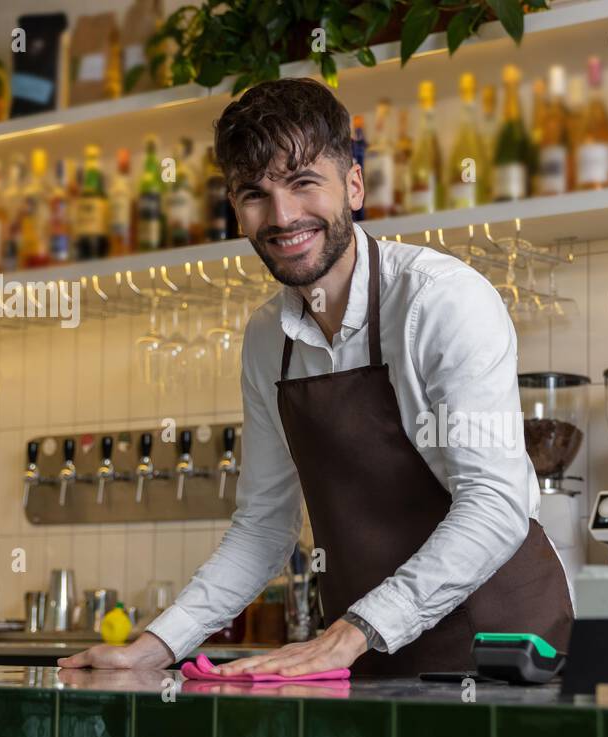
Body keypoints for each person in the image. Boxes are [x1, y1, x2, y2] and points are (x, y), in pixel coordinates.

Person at [59, 78, 573, 677]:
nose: (282, 216)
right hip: (367, 654)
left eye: (304, 182)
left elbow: (495, 503)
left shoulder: (441, 301)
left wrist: (354, 632)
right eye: (255, 193)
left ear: (353, 184)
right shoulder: (265, 340)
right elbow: (263, 527)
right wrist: (155, 646)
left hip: (502, 647)